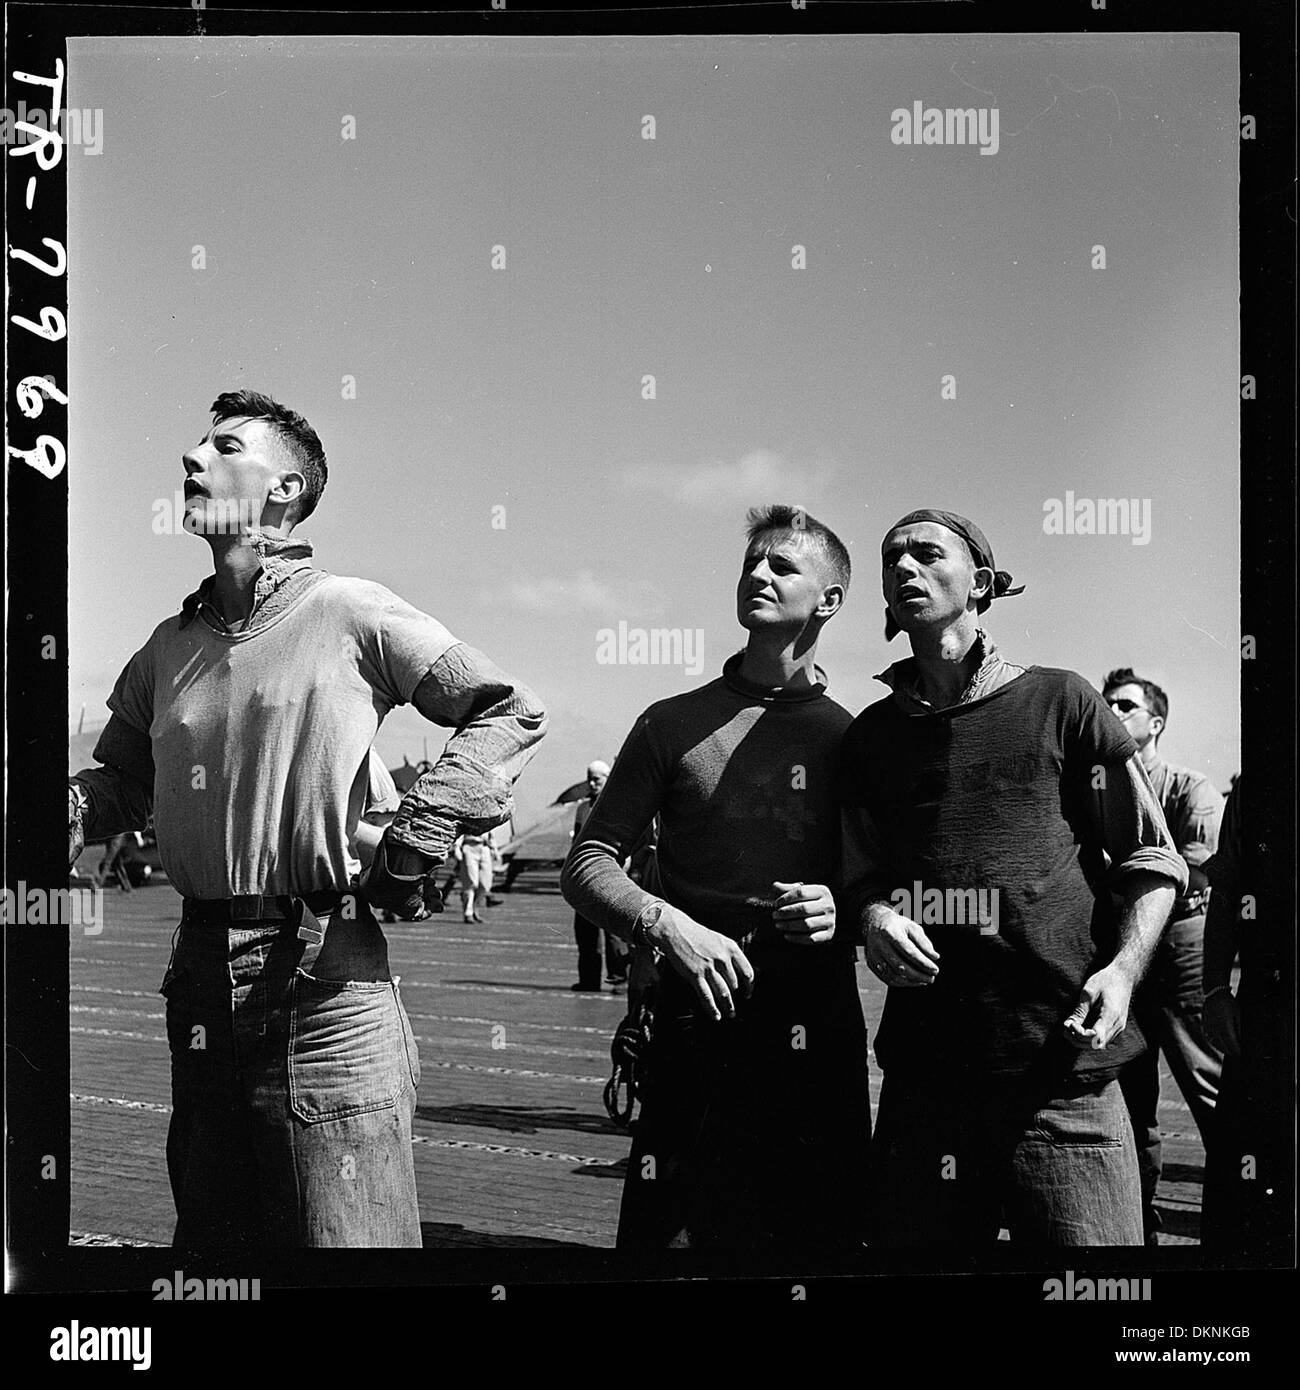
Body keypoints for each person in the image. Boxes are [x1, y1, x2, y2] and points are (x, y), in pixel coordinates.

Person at [68, 390, 547, 1249]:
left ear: (285, 490)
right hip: (202, 982)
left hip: (326, 984)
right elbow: (121, 786)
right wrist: (60, 806)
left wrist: (418, 835)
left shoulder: (350, 611)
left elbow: (509, 709)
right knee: (217, 1255)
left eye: (223, 445)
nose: (190, 458)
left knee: (345, 1250)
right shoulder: (166, 647)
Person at [839, 509, 1187, 1247]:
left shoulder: (1061, 703)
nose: (903, 567)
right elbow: (860, 875)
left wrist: (1123, 974)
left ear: (983, 585)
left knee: (1100, 1288)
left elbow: (1152, 859)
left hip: (1062, 1072)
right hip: (924, 1083)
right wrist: (872, 917)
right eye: (891, 557)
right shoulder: (870, 736)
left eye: (927, 553)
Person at [562, 504, 870, 1252]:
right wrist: (668, 927)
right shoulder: (670, 724)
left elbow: (882, 878)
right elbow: (588, 862)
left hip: (814, 1020)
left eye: (782, 566)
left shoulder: (854, 737)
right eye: (750, 563)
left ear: (829, 600)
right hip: (695, 1018)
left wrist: (843, 905)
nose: (757, 574)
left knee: (817, 1236)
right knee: (665, 1240)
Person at [1101, 667, 1223, 1245]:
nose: (1112, 711)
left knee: (1203, 1077)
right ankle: (1138, 1227)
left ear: (1157, 722)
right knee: (1128, 1095)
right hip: (1119, 955)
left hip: (1177, 950)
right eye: (1108, 704)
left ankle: (1240, 1216)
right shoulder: (1095, 785)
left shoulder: (1188, 787)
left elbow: (1195, 868)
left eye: (1126, 706)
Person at [1200, 777, 1294, 1261]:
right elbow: (1228, 885)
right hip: (1268, 1000)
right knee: (1246, 1176)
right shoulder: (1259, 781)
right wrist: (1215, 986)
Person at [569, 761, 630, 990]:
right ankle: (589, 979)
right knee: (585, 932)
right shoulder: (582, 808)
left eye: (597, 779)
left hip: (609, 875)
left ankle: (619, 976)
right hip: (584, 877)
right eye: (590, 779)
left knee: (613, 931)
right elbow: (575, 842)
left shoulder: (617, 807)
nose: (592, 784)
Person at [451, 831, 494, 922]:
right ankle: (468, 913)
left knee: (485, 884)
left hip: (484, 847)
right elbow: (461, 830)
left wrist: (494, 848)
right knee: (471, 882)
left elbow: (492, 832)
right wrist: (457, 847)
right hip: (469, 846)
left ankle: (475, 908)